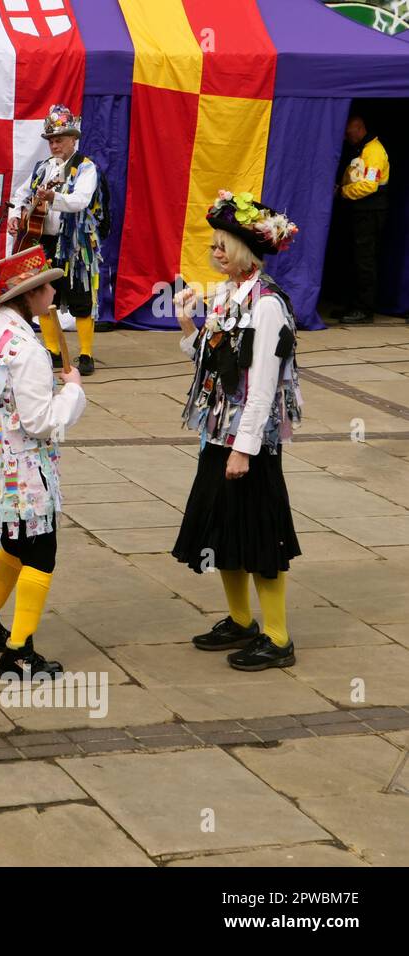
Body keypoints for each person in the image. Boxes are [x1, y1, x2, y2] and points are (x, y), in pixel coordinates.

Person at [171, 190, 302, 671]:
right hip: (218, 434)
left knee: (261, 539)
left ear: (247, 249)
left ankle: (278, 636)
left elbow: (264, 387)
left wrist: (243, 450)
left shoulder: (267, 306)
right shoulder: (228, 295)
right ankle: (241, 620)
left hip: (250, 442)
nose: (216, 251)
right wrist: (188, 324)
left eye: (224, 243)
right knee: (221, 531)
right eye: (214, 244)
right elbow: (212, 365)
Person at [0, 246, 86, 681]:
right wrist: (71, 391)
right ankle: (18, 653)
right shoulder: (28, 350)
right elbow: (39, 422)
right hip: (23, 472)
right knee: (40, 553)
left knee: (13, 545)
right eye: (46, 285)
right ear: (29, 295)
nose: (52, 290)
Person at [9, 105, 102, 375]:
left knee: (82, 297)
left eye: (59, 139)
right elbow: (20, 193)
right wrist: (16, 214)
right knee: (45, 297)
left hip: (75, 243)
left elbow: (81, 200)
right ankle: (52, 350)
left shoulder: (86, 168)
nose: (54, 145)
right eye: (51, 140)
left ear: (74, 139)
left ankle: (85, 354)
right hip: (45, 242)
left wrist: (55, 198)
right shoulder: (43, 168)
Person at [333, 113, 391, 325]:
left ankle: (364, 309)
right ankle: (352, 304)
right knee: (353, 259)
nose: (347, 138)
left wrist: (343, 192)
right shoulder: (362, 149)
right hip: (359, 211)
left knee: (364, 261)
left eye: (349, 134)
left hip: (370, 211)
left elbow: (369, 185)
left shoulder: (374, 151)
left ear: (359, 129)